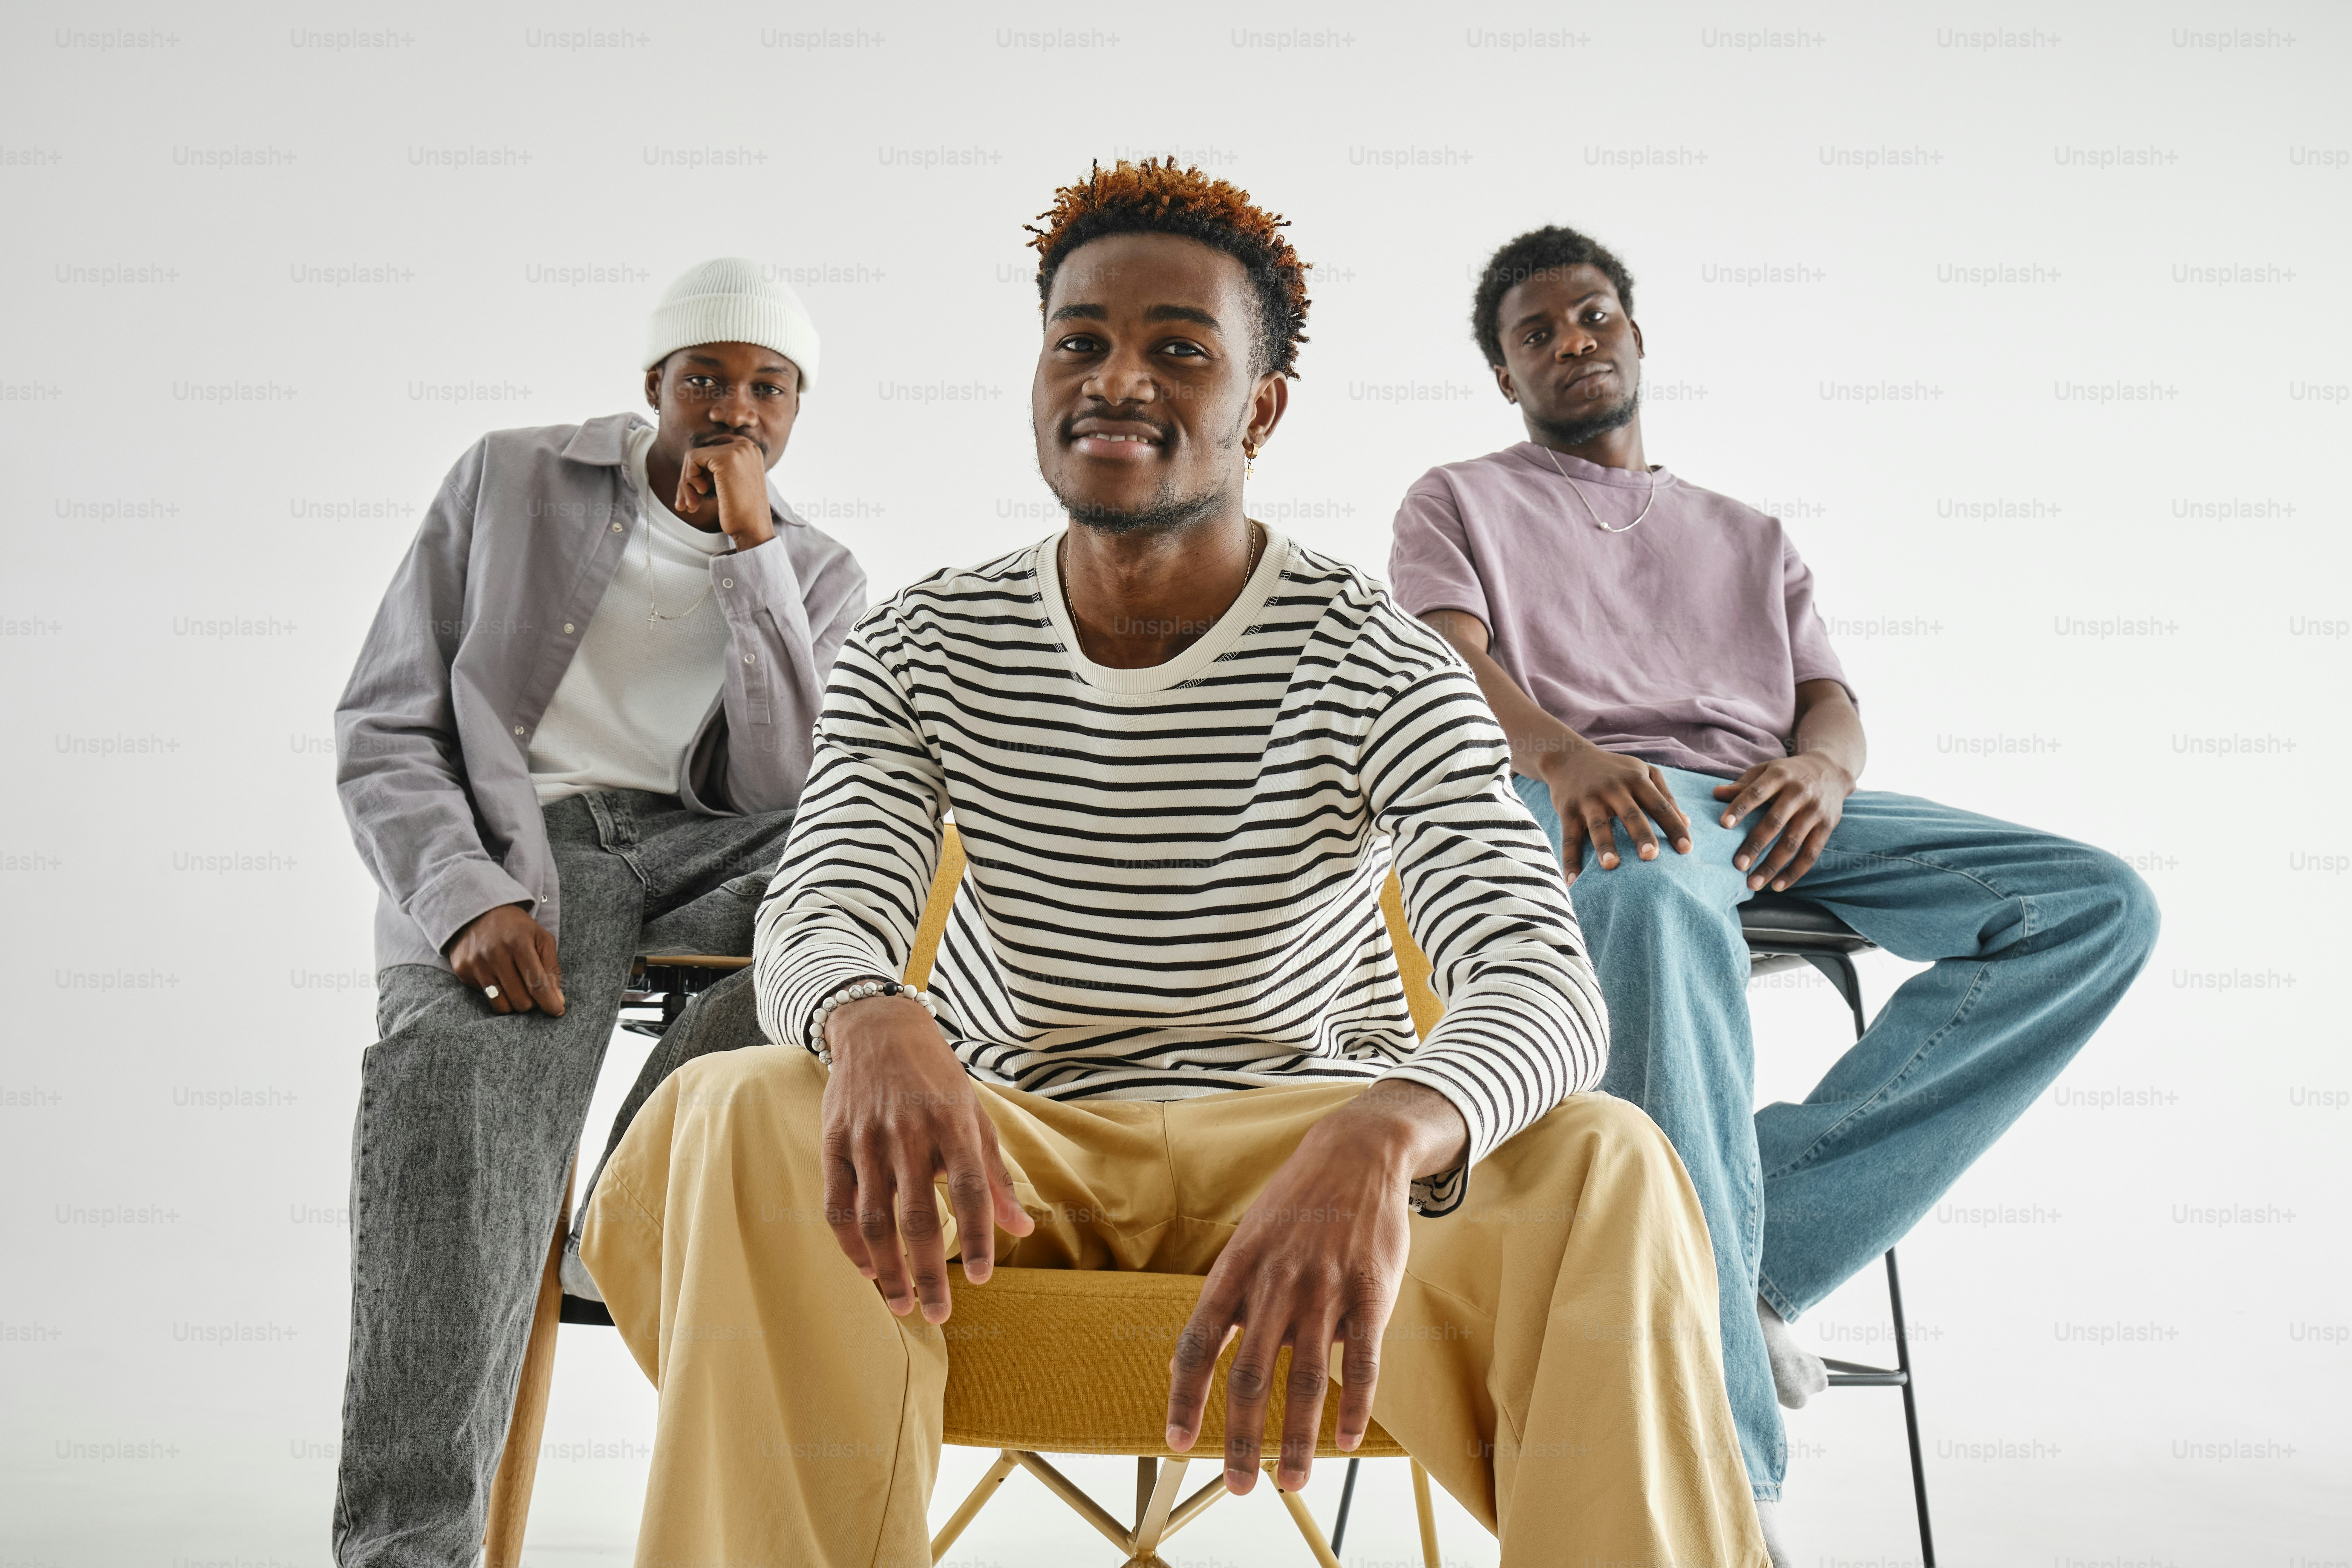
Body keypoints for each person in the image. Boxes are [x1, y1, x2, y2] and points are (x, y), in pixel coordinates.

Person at [578, 163, 1767, 1568]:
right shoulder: (918, 647)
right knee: (738, 1109)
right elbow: (826, 900)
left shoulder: (1384, 658)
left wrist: (1391, 1128)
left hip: (1304, 1142)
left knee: (1609, 1163)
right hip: (1006, 1160)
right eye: (1080, 340)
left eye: (1179, 350)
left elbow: (1540, 981)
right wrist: (868, 1014)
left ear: (1260, 408)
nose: (1117, 380)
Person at [1387, 223, 2161, 1563]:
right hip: (1586, 786)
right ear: (1506, 377)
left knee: (2093, 906)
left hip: (1766, 797)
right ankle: (1730, 1480)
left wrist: (1823, 770)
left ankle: (1746, 1245)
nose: (1571, 341)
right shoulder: (1459, 499)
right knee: (1642, 880)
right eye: (1535, 335)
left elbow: (1833, 700)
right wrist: (1571, 760)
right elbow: (1446, 670)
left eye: (1592, 317)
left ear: (1635, 334)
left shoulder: (1749, 534)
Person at [330, 258, 866, 1565]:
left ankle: (615, 1219)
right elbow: (386, 725)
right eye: (708, 380)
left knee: (856, 930)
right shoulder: (510, 477)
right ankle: (409, 1552)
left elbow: (796, 783)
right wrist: (466, 902)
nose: (736, 410)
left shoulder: (824, 571)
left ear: (799, 411)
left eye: (769, 389)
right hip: (521, 852)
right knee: (455, 1127)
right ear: (654, 388)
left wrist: (752, 560)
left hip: (710, 851)